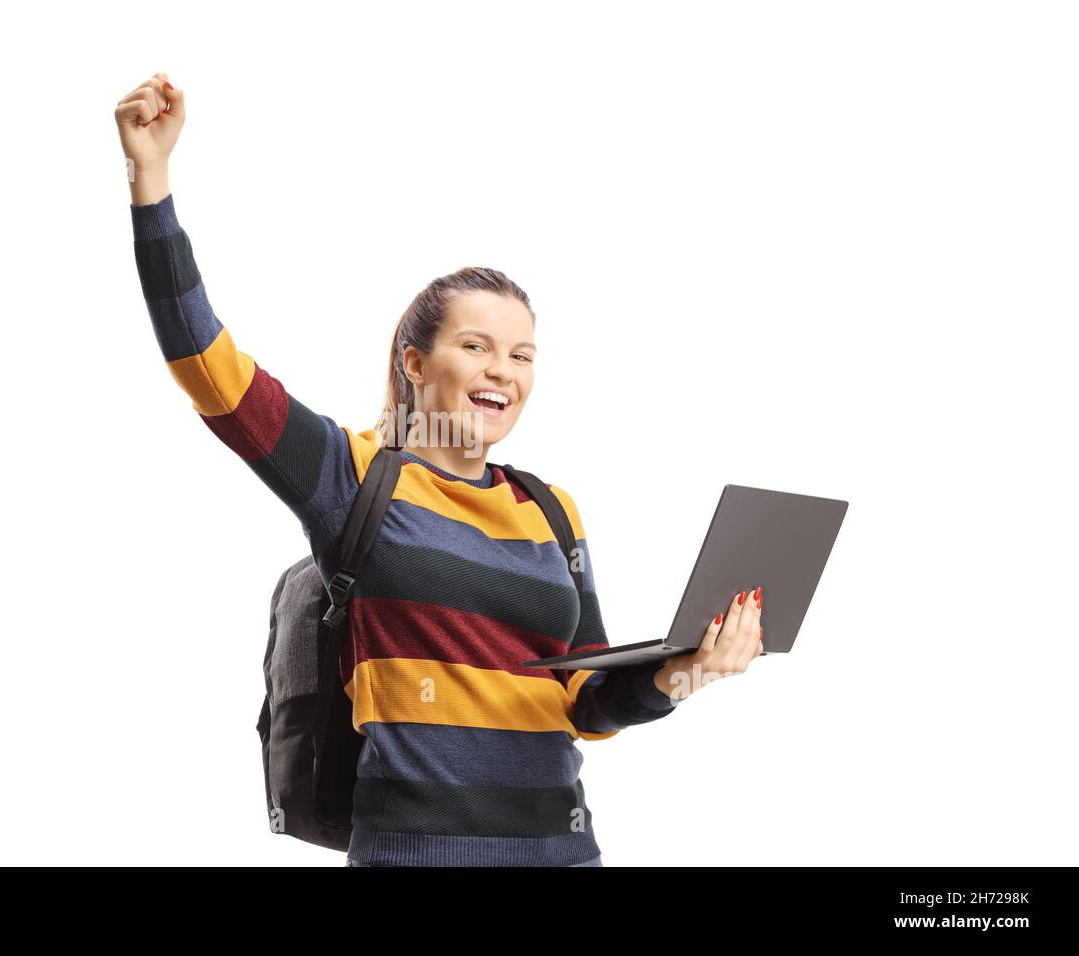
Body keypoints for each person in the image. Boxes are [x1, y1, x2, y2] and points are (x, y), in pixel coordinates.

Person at [115, 73, 766, 867]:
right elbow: (205, 364)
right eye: (477, 346)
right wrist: (152, 183)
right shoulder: (352, 479)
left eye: (523, 354)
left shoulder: (551, 513)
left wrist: (687, 671)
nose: (504, 371)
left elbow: (588, 706)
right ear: (417, 363)